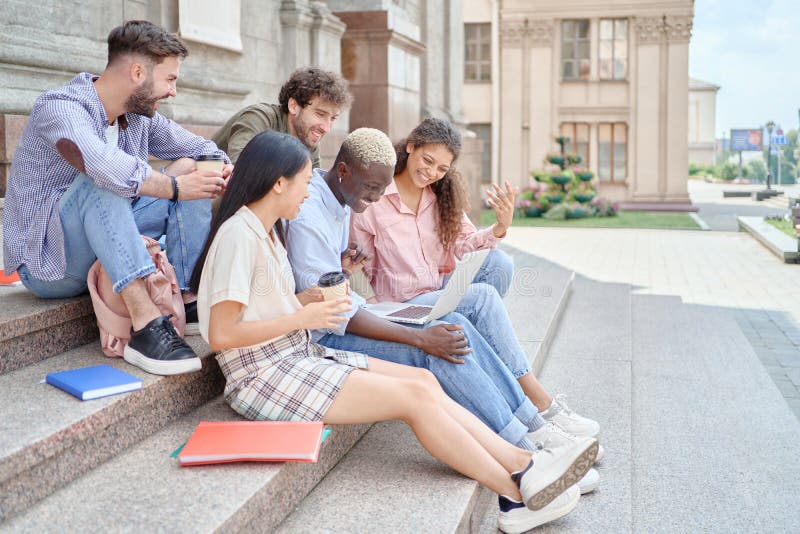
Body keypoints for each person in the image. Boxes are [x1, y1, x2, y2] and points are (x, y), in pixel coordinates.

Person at [189, 130, 597, 533]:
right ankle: (515, 489)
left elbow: (266, 308)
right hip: (264, 376)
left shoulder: (266, 232)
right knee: (414, 398)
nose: (308, 193)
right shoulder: (240, 237)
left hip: (293, 356)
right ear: (278, 183)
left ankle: (524, 463)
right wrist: (302, 318)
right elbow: (222, 335)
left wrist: (306, 301)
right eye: (302, 184)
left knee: (423, 379)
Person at [283, 127, 600, 491]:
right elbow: (334, 311)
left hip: (378, 308)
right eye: (372, 188)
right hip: (347, 326)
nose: (374, 196)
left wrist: (344, 270)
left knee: (461, 319)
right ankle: (527, 449)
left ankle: (533, 426)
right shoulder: (325, 212)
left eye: (441, 167)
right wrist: (419, 339)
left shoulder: (341, 202)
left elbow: (331, 284)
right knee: (445, 340)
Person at [350, 118, 603, 451]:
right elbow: (358, 271)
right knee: (482, 298)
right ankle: (539, 401)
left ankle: (482, 364)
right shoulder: (374, 202)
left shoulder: (438, 197)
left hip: (438, 290)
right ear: (410, 147)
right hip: (401, 305)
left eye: (442, 168)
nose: (431, 172)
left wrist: (499, 227)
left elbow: (466, 242)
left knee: (498, 263)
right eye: (427, 161)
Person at [2, 20, 232, 375]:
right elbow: (101, 164)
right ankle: (145, 327)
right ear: (138, 72)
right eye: (170, 79)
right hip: (51, 263)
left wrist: (219, 166)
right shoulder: (60, 108)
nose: (173, 92)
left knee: (195, 167)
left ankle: (186, 299)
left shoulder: (138, 117)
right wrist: (172, 188)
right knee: (100, 181)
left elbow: (202, 148)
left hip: (109, 236)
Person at [212, 67, 352, 166]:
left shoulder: (308, 138)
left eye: (333, 118)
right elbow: (238, 171)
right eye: (320, 114)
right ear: (293, 106)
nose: (326, 128)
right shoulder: (259, 118)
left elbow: (311, 190)